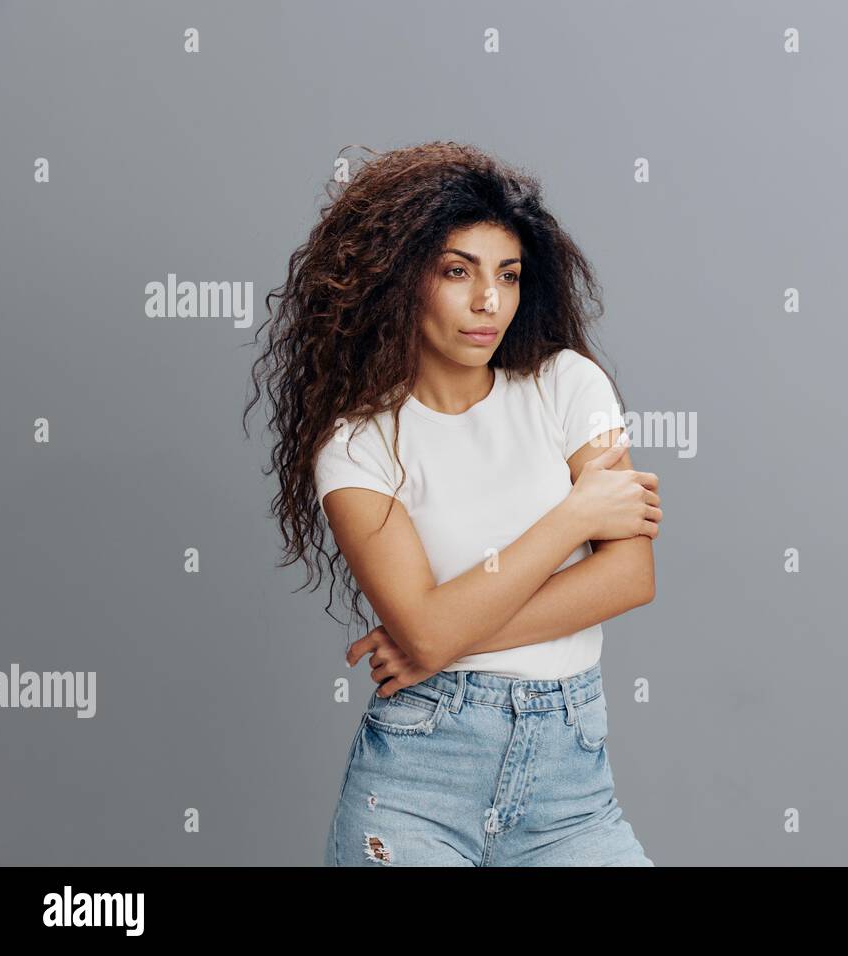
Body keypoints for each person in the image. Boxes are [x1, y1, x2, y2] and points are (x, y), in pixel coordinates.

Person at [244, 141, 661, 866]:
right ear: (400, 282)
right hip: (416, 785)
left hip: (570, 786)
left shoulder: (567, 385)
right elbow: (430, 637)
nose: (487, 301)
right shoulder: (359, 447)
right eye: (456, 272)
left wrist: (437, 638)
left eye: (508, 275)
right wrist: (572, 516)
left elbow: (629, 578)